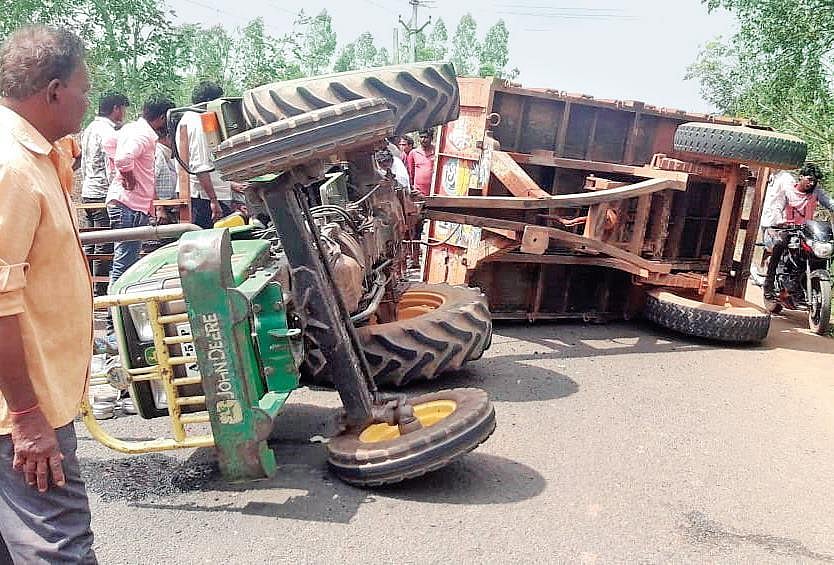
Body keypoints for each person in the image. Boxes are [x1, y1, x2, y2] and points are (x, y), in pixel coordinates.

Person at [0, 25, 97, 563]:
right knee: (58, 548)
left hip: (20, 403)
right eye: (84, 87)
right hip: (23, 408)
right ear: (54, 91)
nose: (88, 99)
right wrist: (29, 416)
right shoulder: (11, 168)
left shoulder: (34, 154)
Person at [106, 94, 175, 287]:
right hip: (129, 204)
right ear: (162, 118)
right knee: (125, 262)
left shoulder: (132, 129)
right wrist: (128, 178)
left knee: (127, 259)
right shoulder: (143, 135)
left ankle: (118, 310)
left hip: (129, 204)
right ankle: (115, 313)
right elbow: (123, 159)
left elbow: (110, 145)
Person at [761, 163, 834, 308]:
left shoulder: (816, 192)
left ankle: (807, 284)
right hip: (789, 229)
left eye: (814, 181)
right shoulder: (788, 190)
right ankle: (768, 285)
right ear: (801, 177)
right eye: (809, 179)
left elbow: (830, 203)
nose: (811, 183)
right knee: (779, 245)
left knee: (823, 251)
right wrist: (779, 221)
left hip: (807, 231)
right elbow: (777, 206)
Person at [80, 91, 129, 295]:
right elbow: (112, 167)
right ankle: (99, 291)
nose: (124, 113)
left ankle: (87, 287)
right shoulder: (108, 133)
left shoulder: (90, 129)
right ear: (116, 108)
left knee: (91, 244)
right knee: (104, 244)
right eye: (123, 109)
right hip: (102, 193)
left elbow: (83, 163)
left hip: (88, 191)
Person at [177, 81, 235, 228]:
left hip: (202, 196)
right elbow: (200, 167)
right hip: (204, 199)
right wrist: (214, 201)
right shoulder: (199, 122)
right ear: (210, 102)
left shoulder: (187, 119)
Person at [406, 129, 435, 196]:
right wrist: (413, 188)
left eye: (426, 137)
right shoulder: (413, 153)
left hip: (433, 192)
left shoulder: (436, 152)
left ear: (431, 138)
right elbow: (411, 173)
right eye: (421, 137)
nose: (423, 140)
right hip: (419, 193)